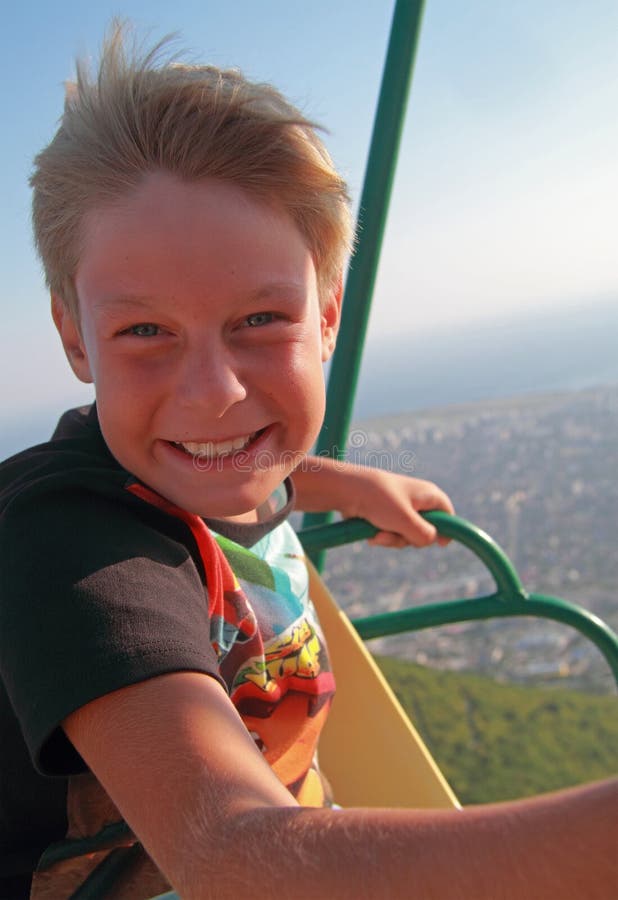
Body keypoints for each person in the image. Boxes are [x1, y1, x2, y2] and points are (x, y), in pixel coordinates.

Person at [0, 23, 615, 900]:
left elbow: (237, 475)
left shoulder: (196, 463)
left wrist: (339, 479)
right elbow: (227, 853)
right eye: (145, 331)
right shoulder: (69, 547)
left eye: (260, 321)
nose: (214, 394)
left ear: (327, 316)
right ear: (75, 337)